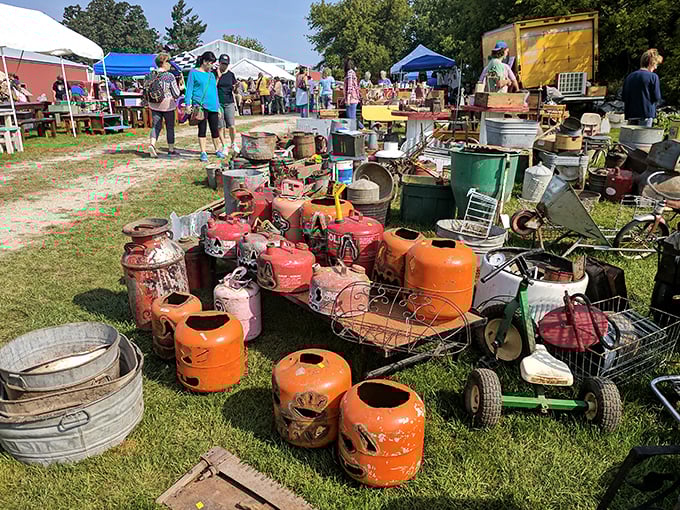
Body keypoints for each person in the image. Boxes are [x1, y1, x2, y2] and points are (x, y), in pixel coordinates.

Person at [185, 51, 225, 162]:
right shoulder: (194, 73)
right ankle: (203, 152)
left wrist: (218, 107)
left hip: (213, 105)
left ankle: (218, 150)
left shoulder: (211, 75)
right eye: (211, 63)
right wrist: (188, 104)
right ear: (205, 62)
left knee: (215, 129)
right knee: (202, 129)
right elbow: (189, 89)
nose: (212, 65)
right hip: (200, 106)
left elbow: (214, 91)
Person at [146, 52, 181, 158]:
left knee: (156, 126)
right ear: (164, 62)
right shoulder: (169, 76)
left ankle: (152, 144)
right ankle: (170, 149)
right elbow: (176, 93)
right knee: (170, 127)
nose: (170, 64)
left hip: (153, 103)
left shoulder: (150, 75)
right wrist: (181, 88)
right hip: (167, 104)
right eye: (169, 61)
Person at [623, 49, 663, 128]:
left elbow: (624, 96)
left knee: (632, 138)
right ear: (651, 63)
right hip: (646, 113)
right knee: (644, 138)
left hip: (631, 114)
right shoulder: (653, 77)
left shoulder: (629, 77)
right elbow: (657, 97)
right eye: (656, 65)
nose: (656, 68)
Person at [214, 54, 239, 152]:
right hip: (218, 102)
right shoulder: (214, 73)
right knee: (220, 126)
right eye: (223, 64)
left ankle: (233, 143)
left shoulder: (231, 74)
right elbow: (212, 87)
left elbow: (235, 91)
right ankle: (224, 145)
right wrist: (218, 77)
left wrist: (236, 87)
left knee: (231, 125)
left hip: (229, 101)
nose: (224, 66)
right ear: (219, 63)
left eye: (226, 64)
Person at [344, 58, 364, 129]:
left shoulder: (349, 73)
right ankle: (360, 129)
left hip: (352, 98)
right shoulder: (353, 73)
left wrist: (348, 99)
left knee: (351, 118)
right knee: (351, 117)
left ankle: (362, 128)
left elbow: (350, 87)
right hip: (354, 98)